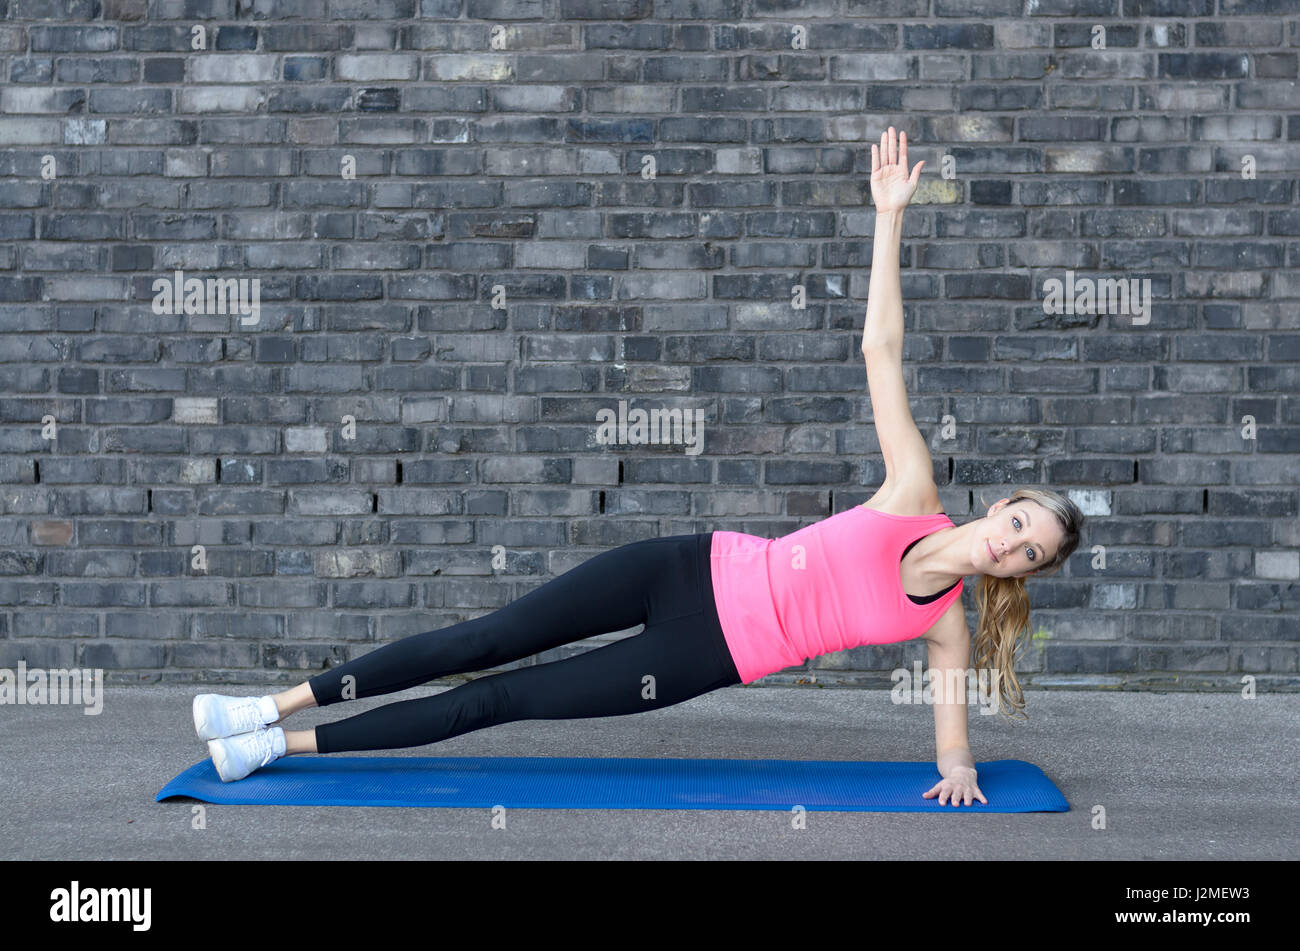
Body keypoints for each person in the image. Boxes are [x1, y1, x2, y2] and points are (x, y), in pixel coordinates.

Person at [192, 127, 1083, 807]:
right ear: (1001, 504)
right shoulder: (913, 493)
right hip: (689, 565)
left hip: (703, 652)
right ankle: (266, 707)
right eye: (1019, 524)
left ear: (1028, 571)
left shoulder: (948, 627)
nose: (1012, 548)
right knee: (480, 640)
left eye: (1030, 553)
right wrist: (888, 219)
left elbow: (952, 739)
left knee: (497, 701)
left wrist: (960, 768)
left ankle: (280, 751)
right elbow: (878, 350)